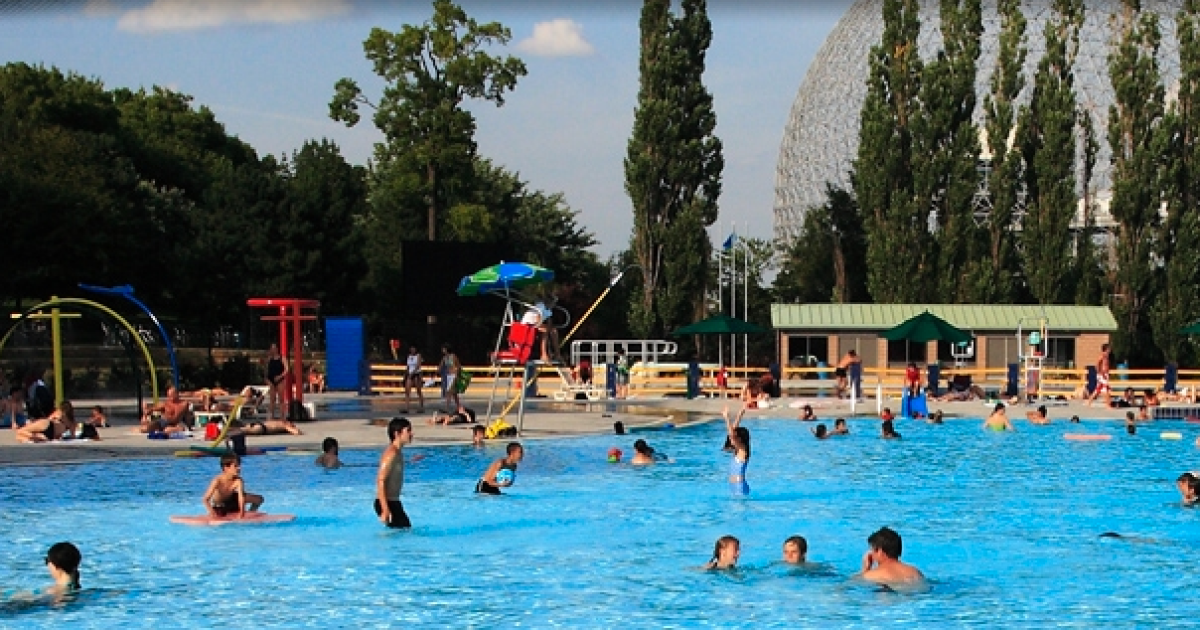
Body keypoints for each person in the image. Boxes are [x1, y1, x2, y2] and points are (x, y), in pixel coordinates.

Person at [375, 417, 413, 528]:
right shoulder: (391, 454)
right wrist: (385, 509)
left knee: (403, 533)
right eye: (408, 430)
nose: (411, 434)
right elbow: (380, 480)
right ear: (397, 434)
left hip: (393, 502)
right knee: (404, 532)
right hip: (387, 502)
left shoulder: (397, 452)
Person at [859, 526, 925, 586]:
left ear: (880, 551)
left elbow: (855, 583)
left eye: (872, 549)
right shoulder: (916, 572)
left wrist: (865, 569)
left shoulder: (873, 575)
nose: (871, 554)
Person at [203, 453, 263, 518]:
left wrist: (242, 514)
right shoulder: (217, 480)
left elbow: (241, 498)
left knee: (259, 499)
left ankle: (251, 512)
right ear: (226, 468)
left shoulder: (238, 481)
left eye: (239, 465)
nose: (239, 468)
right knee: (220, 511)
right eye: (236, 466)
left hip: (232, 500)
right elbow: (205, 499)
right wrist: (212, 513)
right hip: (220, 505)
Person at [723, 405, 751, 496]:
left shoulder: (742, 450)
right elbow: (733, 433)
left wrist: (726, 418)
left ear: (740, 439)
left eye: (735, 437)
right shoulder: (737, 450)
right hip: (734, 485)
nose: (731, 440)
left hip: (740, 486)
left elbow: (732, 434)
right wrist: (739, 415)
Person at [264, 343, 287, 420]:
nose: (273, 350)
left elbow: (286, 369)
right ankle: (272, 415)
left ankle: (282, 416)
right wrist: (266, 378)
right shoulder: (269, 359)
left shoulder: (282, 358)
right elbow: (266, 369)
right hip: (271, 379)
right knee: (272, 399)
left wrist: (280, 376)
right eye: (272, 348)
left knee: (281, 398)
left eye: (275, 348)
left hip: (279, 378)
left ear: (277, 349)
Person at [440, 344, 462, 413]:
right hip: (448, 376)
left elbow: (459, 366)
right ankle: (459, 407)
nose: (443, 350)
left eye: (444, 349)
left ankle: (447, 408)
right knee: (454, 394)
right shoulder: (444, 358)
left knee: (449, 392)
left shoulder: (453, 356)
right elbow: (441, 366)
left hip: (453, 375)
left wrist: (457, 374)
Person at [403, 346, 424, 414]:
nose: (412, 350)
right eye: (411, 348)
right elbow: (408, 366)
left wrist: (413, 373)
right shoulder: (409, 356)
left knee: (418, 391)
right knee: (407, 391)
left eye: (413, 348)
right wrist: (406, 374)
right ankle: (407, 407)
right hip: (410, 374)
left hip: (417, 374)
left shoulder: (418, 355)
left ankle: (421, 407)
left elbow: (418, 365)